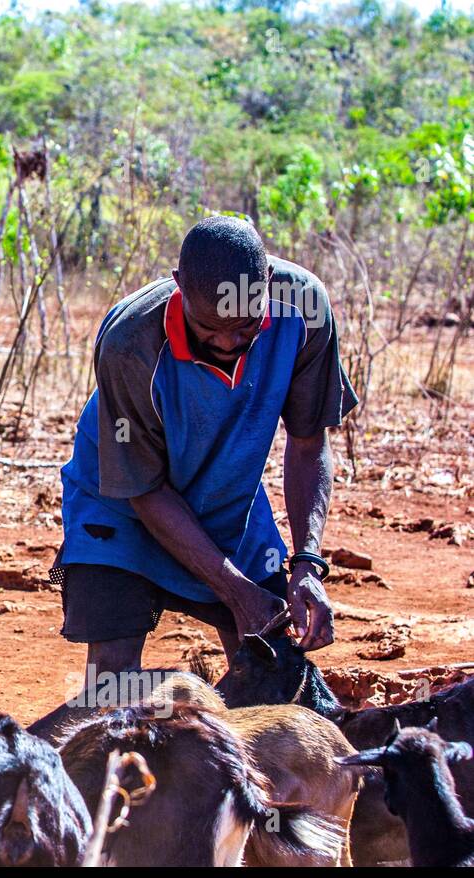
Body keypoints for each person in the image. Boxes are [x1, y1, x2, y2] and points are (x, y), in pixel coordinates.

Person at [32, 216, 358, 738]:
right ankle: (36, 768)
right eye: (211, 330)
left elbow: (307, 443)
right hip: (121, 502)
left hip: (229, 502)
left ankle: (239, 801)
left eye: (246, 327)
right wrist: (235, 590)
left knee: (274, 669)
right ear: (179, 287)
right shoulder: (129, 341)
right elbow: (144, 489)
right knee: (112, 690)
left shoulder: (306, 310)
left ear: (268, 290)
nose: (229, 342)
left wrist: (308, 564)